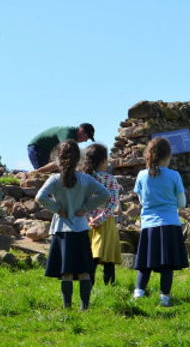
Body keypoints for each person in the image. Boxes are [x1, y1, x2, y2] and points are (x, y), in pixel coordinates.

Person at [35, 141, 110, 310]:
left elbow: (40, 197)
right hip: (81, 229)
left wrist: (56, 209)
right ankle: (84, 307)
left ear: (58, 159)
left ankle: (67, 307)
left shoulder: (54, 179)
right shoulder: (85, 179)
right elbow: (105, 194)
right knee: (83, 270)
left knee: (66, 272)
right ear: (79, 159)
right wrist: (85, 208)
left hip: (61, 231)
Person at [132, 137, 189, 306]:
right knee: (167, 265)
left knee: (145, 263)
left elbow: (141, 201)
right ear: (167, 156)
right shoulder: (174, 175)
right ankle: (164, 298)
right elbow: (181, 203)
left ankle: (138, 293)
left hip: (149, 225)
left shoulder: (142, 175)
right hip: (170, 224)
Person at [83, 144, 122, 286]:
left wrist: (89, 218)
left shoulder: (84, 179)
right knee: (108, 257)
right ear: (104, 161)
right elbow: (113, 204)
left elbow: (81, 202)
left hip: (87, 222)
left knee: (90, 256)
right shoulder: (111, 179)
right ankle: (110, 286)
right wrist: (101, 218)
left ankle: (88, 287)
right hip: (106, 222)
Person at [27, 123, 95, 173]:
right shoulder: (67, 133)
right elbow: (65, 156)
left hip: (47, 151)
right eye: (87, 137)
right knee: (41, 173)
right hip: (37, 148)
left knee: (55, 172)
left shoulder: (72, 137)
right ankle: (22, 173)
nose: (86, 140)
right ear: (81, 131)